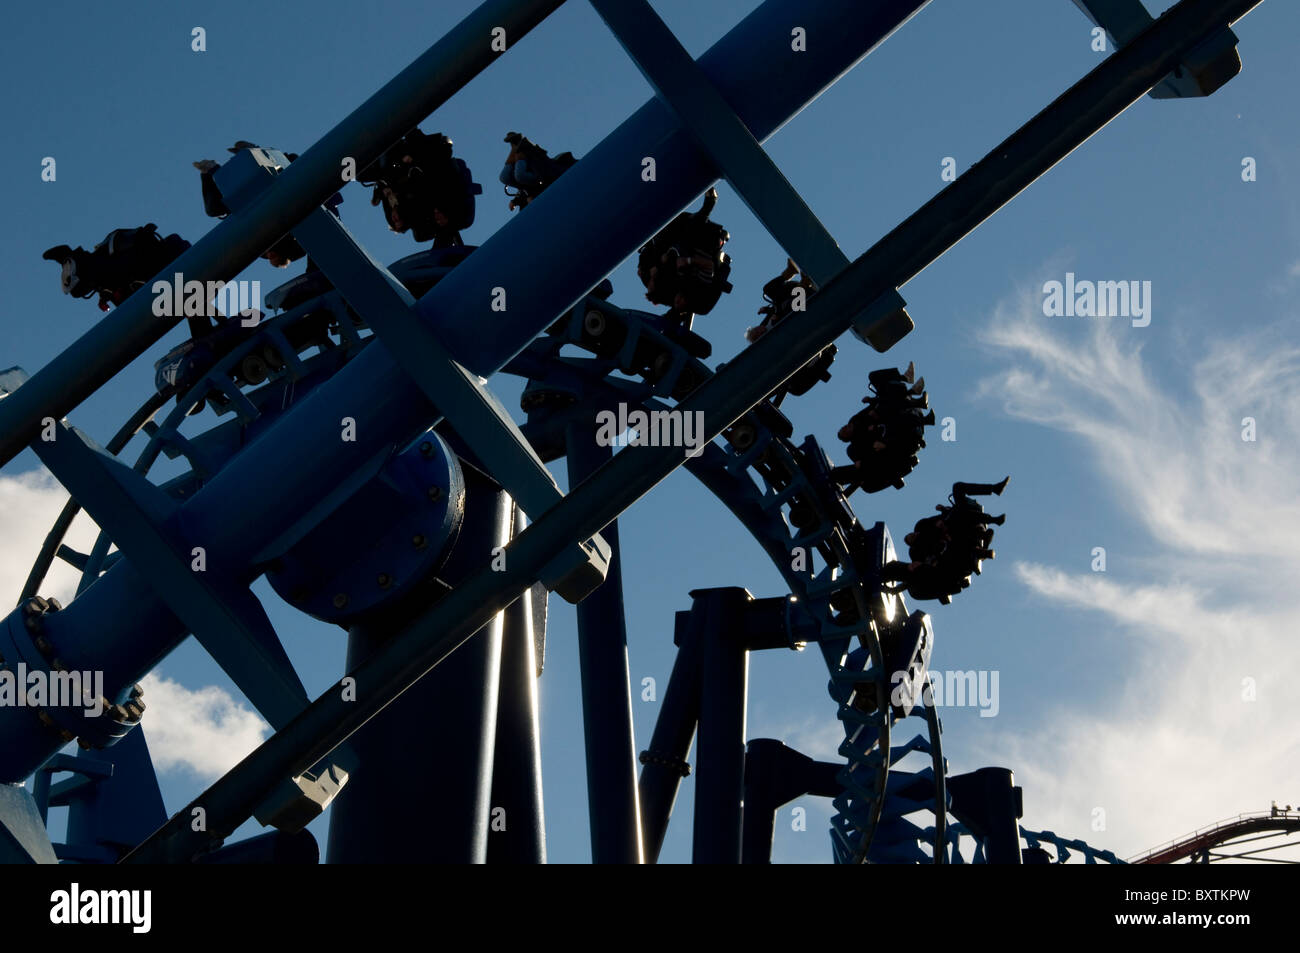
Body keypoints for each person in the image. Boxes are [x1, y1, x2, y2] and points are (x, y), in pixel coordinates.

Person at [42, 224, 209, 337]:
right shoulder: (108, 287)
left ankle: (210, 339)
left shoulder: (113, 250)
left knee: (194, 307)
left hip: (181, 275)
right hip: (174, 295)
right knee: (195, 312)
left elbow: (149, 247)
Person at [194, 141, 342, 267]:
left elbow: (244, 230)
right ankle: (251, 153)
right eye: (273, 256)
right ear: (281, 254)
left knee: (214, 209)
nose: (270, 255)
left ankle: (210, 170)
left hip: (254, 205)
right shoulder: (296, 245)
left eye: (269, 256)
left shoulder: (262, 249)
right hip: (289, 189)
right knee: (293, 174)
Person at [881, 477, 1009, 603]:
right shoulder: (919, 553)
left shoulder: (922, 525)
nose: (914, 536)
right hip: (957, 551)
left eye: (912, 534)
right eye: (912, 540)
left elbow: (942, 518)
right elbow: (915, 574)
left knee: (957, 489)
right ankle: (981, 547)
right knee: (956, 544)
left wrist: (943, 511)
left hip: (961, 523)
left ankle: (994, 492)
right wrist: (896, 590)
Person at [360, 129, 480, 246]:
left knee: (367, 171)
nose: (438, 216)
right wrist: (414, 160)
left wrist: (382, 190)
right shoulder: (445, 193)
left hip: (398, 170)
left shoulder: (410, 212)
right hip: (425, 162)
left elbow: (388, 185)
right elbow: (439, 163)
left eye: (395, 220)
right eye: (442, 218)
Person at [832, 362, 933, 494]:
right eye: (845, 431)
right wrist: (882, 440)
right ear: (850, 437)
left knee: (874, 377)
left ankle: (905, 379)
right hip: (898, 420)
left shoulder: (855, 419)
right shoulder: (859, 443)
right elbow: (879, 442)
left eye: (843, 427)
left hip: (892, 405)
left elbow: (871, 411)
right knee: (888, 412)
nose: (845, 427)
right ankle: (915, 400)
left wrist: (872, 401)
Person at [637, 188, 733, 326]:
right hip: (701, 252)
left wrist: (652, 269)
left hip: (673, 249)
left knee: (657, 247)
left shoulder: (663, 291)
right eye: (682, 302)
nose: (679, 300)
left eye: (676, 301)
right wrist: (687, 261)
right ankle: (709, 204)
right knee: (689, 236)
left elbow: (645, 273)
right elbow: (708, 266)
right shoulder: (696, 291)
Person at [500, 131, 576, 211]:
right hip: (538, 180)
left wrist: (517, 200)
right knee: (505, 177)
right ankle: (517, 148)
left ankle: (520, 148)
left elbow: (529, 190)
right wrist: (516, 200)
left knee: (515, 176)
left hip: (544, 177)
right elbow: (526, 190)